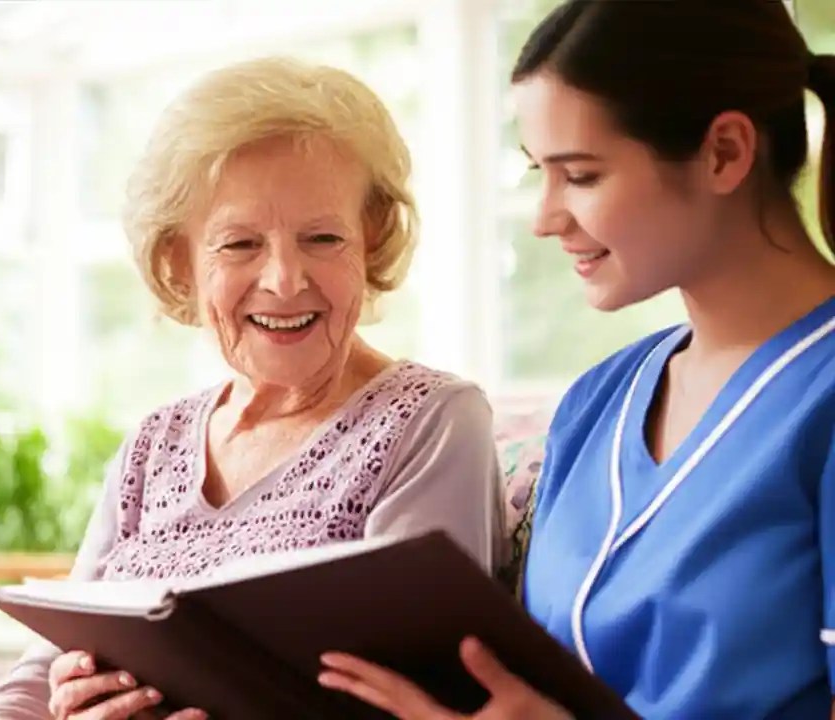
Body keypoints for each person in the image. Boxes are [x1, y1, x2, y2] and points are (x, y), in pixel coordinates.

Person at [317, 1, 835, 718]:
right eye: (540, 173)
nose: (545, 217)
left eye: (582, 176)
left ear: (725, 152)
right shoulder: (600, 402)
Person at [0, 57, 504, 720]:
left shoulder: (431, 422)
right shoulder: (153, 444)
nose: (284, 279)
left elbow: (413, 697)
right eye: (240, 244)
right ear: (180, 262)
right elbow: (40, 671)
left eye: (323, 237)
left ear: (370, 244)